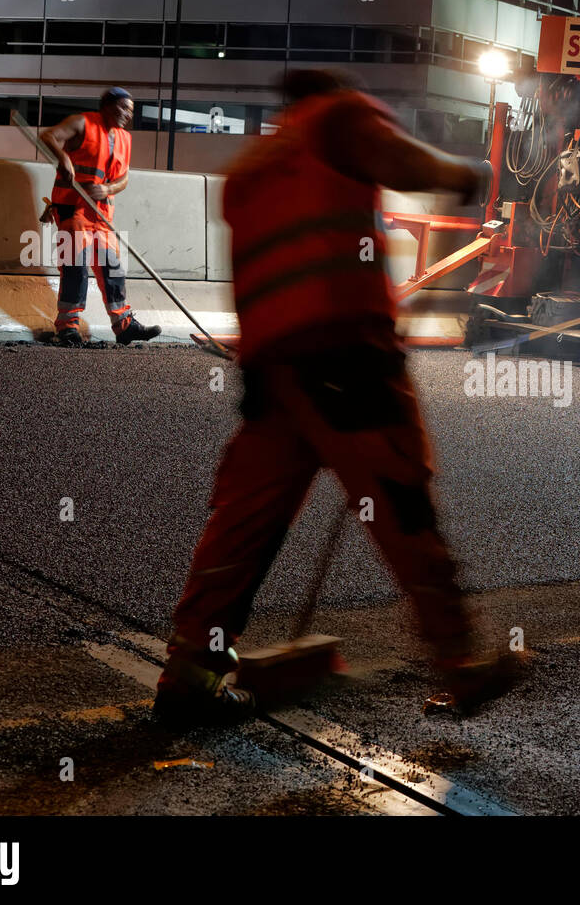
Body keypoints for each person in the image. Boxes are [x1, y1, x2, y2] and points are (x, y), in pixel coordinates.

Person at [154, 69, 516, 729]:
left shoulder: (252, 167)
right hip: (347, 360)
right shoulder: (338, 119)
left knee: (244, 523)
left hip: (272, 373)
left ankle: (189, 673)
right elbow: (404, 162)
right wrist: (471, 174)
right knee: (402, 501)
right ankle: (458, 665)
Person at [38, 86, 161, 347]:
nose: (128, 115)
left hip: (101, 215)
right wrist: (62, 156)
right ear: (107, 104)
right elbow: (48, 136)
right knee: (76, 267)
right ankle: (67, 326)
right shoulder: (82, 122)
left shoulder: (125, 139)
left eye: (131, 111)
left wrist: (107, 188)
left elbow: (123, 178)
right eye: (124, 108)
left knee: (112, 267)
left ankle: (124, 325)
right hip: (72, 208)